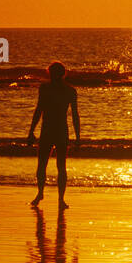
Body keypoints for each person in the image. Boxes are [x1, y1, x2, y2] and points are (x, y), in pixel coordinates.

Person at [27, 61, 80, 208]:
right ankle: (43, 194)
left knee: (56, 165)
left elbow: (75, 115)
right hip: (52, 130)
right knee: (47, 165)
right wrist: (31, 131)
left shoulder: (68, 91)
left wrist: (78, 136)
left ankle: (58, 198)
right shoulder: (48, 89)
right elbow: (39, 110)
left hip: (56, 130)